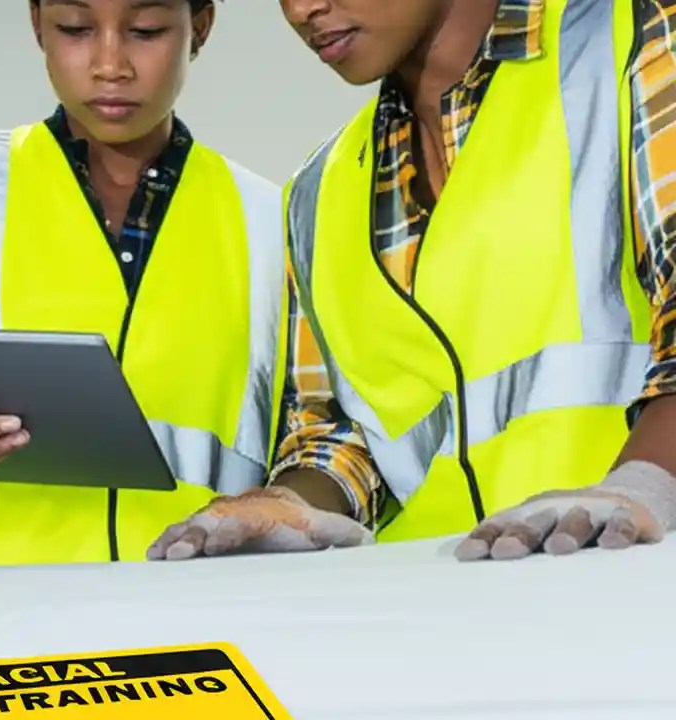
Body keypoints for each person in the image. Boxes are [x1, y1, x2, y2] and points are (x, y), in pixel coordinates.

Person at [0, 0, 369, 567]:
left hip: (191, 603)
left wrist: (287, 502)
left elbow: (319, 433)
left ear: (200, 27)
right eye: (75, 28)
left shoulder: (272, 219)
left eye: (145, 30)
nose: (110, 65)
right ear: (37, 22)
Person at [149, 0, 676, 562]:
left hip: (627, 582)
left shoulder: (633, 40)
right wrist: (287, 503)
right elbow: (342, 433)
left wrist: (644, 486)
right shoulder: (316, 192)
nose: (302, 9)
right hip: (432, 599)